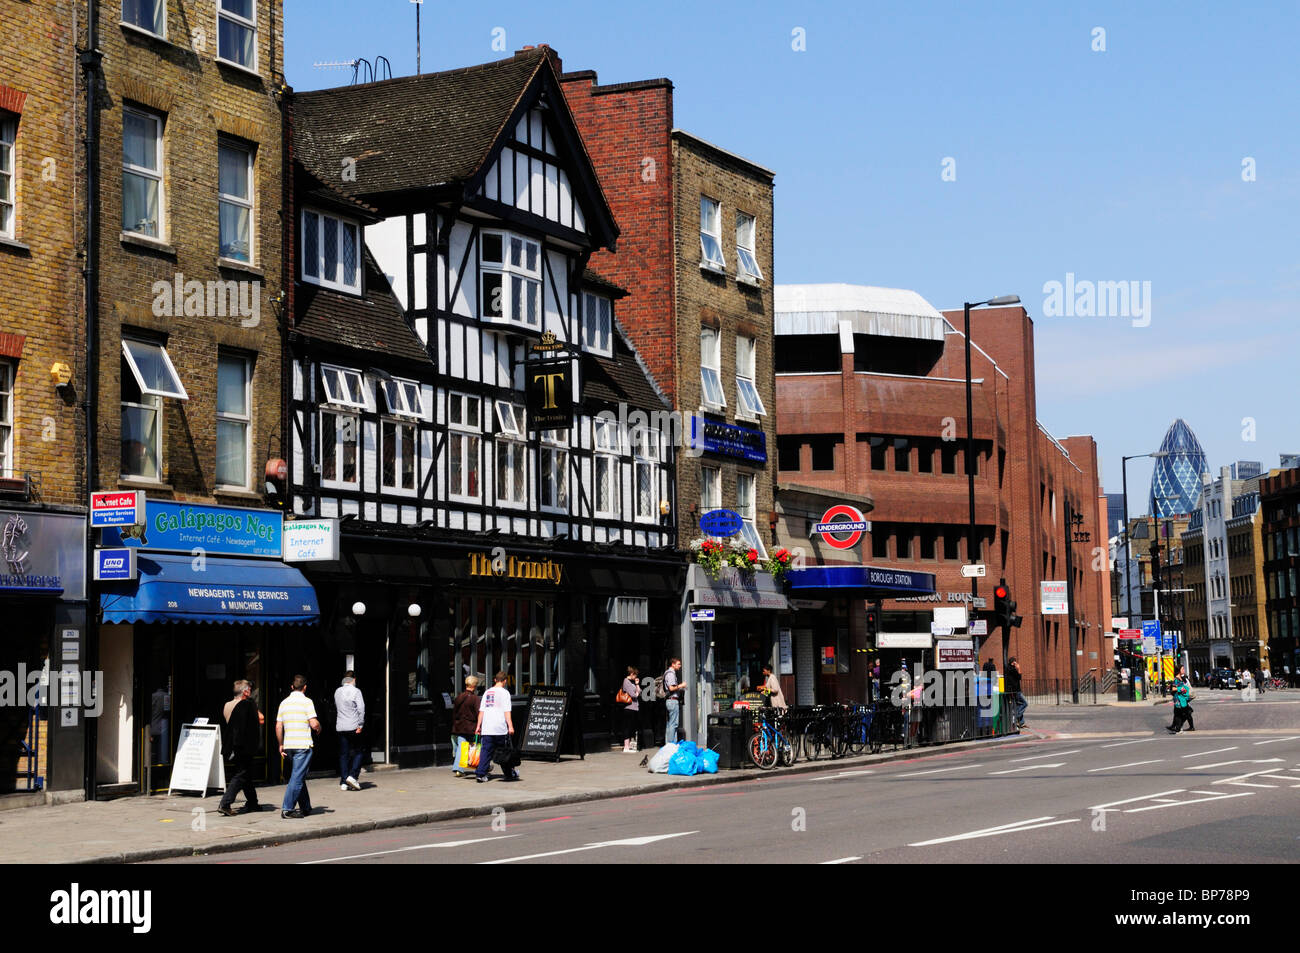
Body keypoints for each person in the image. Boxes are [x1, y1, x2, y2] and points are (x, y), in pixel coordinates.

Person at [276, 675, 321, 818]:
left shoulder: (284, 703)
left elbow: (278, 726)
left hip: (289, 745)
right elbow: (313, 723)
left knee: (297, 775)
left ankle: (306, 807)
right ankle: (287, 809)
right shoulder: (307, 702)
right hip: (302, 745)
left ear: (292, 687)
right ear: (305, 687)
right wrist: (319, 727)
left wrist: (281, 744)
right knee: (296, 777)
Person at [218, 680, 262, 816]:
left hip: (233, 745)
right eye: (249, 689)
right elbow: (261, 718)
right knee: (241, 774)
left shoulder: (227, 705)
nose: (250, 691)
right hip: (243, 745)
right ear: (245, 692)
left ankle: (252, 802)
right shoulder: (246, 705)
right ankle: (225, 803)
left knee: (245, 774)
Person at [474, 671, 516, 782]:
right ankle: (509, 773)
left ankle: (480, 774)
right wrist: (510, 726)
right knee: (503, 752)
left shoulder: (487, 692)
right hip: (499, 728)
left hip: (487, 727)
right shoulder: (505, 693)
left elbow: (481, 711)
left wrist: (478, 726)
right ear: (505, 681)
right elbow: (507, 711)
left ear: (495, 680)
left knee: (485, 752)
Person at [334, 672, 366, 792]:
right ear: (354, 679)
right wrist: (360, 724)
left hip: (341, 726)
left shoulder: (337, 691)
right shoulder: (356, 691)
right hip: (353, 726)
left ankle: (343, 781)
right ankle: (353, 776)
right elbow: (361, 709)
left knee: (344, 754)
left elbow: (337, 707)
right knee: (359, 751)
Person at [451, 676, 480, 777]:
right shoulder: (475, 698)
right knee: (476, 747)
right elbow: (478, 713)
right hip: (471, 727)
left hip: (459, 726)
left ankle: (458, 769)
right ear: (475, 686)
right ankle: (479, 766)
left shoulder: (459, 697)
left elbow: (454, 712)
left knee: (461, 747)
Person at [663, 658, 684, 746]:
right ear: (673, 664)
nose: (680, 666)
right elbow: (671, 688)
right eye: (678, 664)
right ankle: (671, 745)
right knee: (673, 724)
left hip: (670, 701)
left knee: (670, 724)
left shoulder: (668, 673)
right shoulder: (670, 674)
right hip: (672, 701)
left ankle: (669, 744)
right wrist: (681, 686)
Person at [620, 666, 640, 752]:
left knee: (631, 726)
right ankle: (626, 747)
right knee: (627, 727)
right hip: (629, 707)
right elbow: (634, 695)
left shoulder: (631, 682)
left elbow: (640, 691)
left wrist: (637, 684)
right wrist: (636, 693)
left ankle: (630, 746)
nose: (636, 677)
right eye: (635, 675)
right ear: (632, 674)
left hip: (634, 708)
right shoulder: (626, 681)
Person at [1168, 667, 1195, 733]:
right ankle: (1177, 728)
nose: (1184, 670)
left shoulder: (1181, 678)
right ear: (1179, 671)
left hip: (1183, 698)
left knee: (1182, 713)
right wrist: (1181, 689)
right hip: (1178, 699)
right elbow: (1173, 689)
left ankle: (1177, 728)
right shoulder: (1176, 679)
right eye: (1182, 669)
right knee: (1180, 713)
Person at [1006, 657, 1027, 729]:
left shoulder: (1008, 668)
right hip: (1016, 690)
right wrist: (1018, 668)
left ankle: (1021, 723)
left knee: (1018, 705)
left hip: (1013, 690)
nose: (1016, 664)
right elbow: (1019, 677)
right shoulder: (1012, 669)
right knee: (1024, 703)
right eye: (1015, 662)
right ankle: (1016, 718)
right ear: (1013, 663)